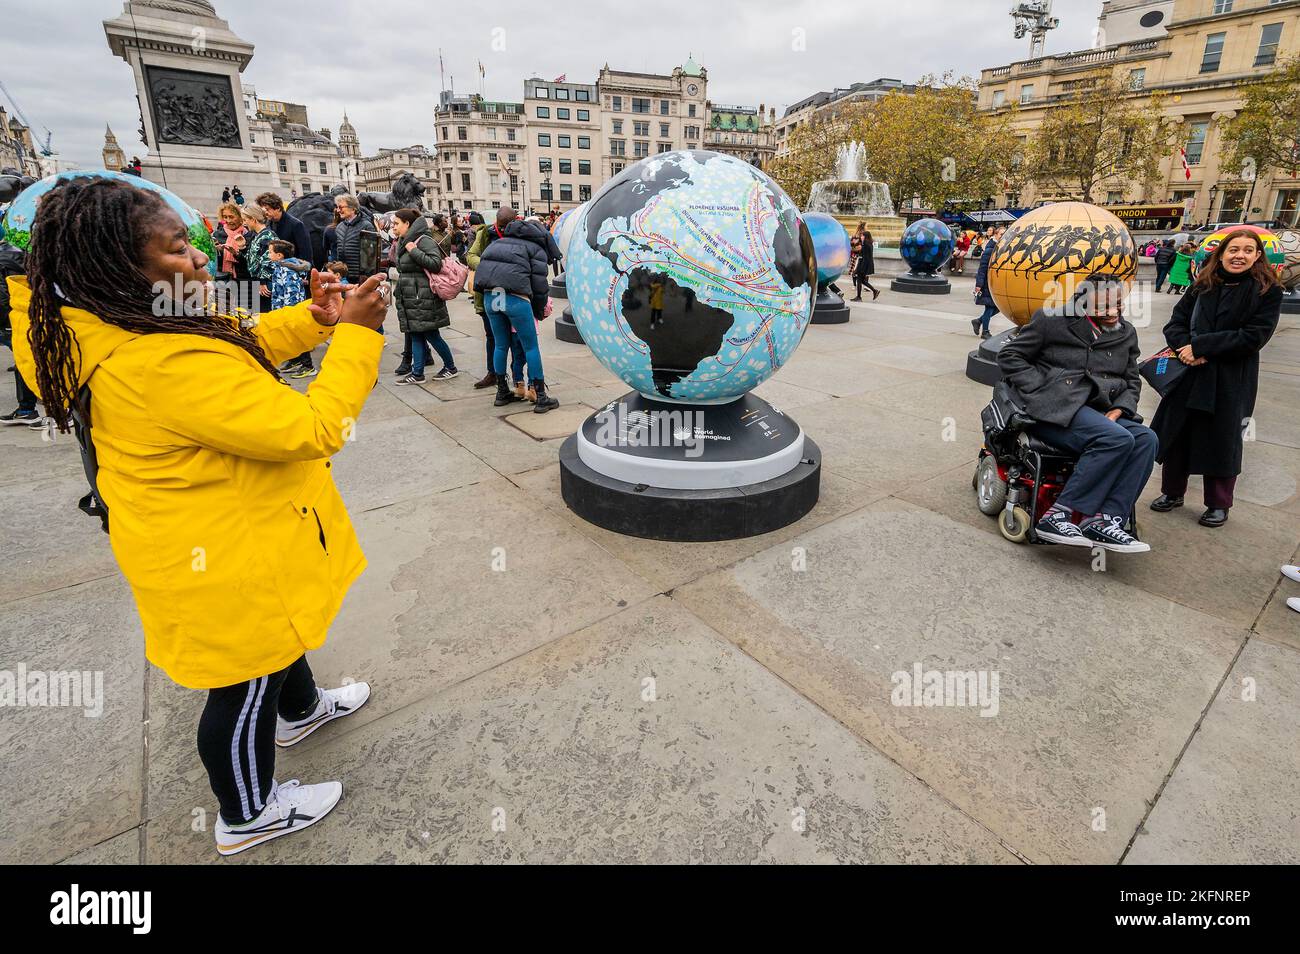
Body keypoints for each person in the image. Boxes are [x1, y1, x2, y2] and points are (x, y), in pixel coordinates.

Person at [8, 174, 390, 855]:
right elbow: (312, 426)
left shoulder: (109, 322)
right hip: (219, 550)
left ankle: (300, 711)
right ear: (119, 267)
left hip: (212, 533)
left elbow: (234, 347)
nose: (201, 258)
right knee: (241, 685)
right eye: (178, 247)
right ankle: (248, 812)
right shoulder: (157, 361)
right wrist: (358, 338)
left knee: (272, 640)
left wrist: (313, 321)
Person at [997, 277, 1156, 553]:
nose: (1113, 311)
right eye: (1104, 305)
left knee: (1146, 439)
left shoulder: (1126, 332)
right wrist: (1042, 388)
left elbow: (1132, 380)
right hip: (1054, 410)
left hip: (1100, 410)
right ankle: (1058, 515)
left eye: (1118, 303)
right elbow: (1010, 356)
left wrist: (1121, 408)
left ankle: (1105, 520)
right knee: (1116, 439)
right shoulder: (1051, 320)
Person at [1149, 229, 1282, 528]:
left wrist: (1202, 347)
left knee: (1223, 440)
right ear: (1221, 253)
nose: (1240, 255)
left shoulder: (1266, 290)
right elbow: (1176, 322)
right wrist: (1185, 348)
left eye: (1248, 250)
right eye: (1234, 249)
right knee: (1178, 435)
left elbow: (1254, 335)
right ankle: (1172, 492)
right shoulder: (1202, 284)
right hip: (1189, 372)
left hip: (1230, 377)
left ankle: (1218, 503)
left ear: (1257, 256)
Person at [473, 214, 558, 412]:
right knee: (531, 348)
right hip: (515, 298)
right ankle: (541, 396)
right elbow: (539, 286)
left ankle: (502, 392)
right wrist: (539, 310)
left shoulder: (497, 243)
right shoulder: (534, 248)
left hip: (490, 297)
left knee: (501, 345)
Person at [390, 208, 458, 384]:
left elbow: (435, 264)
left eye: (396, 223)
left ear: (408, 224)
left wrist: (414, 251)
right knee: (416, 334)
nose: (393, 227)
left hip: (423, 296)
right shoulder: (404, 240)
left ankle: (450, 367)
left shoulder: (423, 240)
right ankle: (417, 372)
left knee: (431, 334)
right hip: (412, 295)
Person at [467, 207, 526, 392]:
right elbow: (470, 256)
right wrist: (489, 267)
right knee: (493, 336)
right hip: (491, 290)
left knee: (517, 339)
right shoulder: (485, 234)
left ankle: (517, 377)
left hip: (514, 292)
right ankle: (494, 374)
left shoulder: (521, 235)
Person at [237, 204, 275, 317]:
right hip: (258, 281)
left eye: (245, 220)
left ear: (253, 219)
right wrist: (242, 248)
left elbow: (269, 261)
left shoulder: (267, 235)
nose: (244, 223)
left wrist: (262, 282)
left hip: (265, 283)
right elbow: (253, 259)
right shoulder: (258, 235)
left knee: (264, 314)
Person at [256, 192, 312, 264]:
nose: (265, 213)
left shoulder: (296, 225)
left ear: (278, 208)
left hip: (294, 270)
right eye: (263, 210)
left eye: (267, 209)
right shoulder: (268, 223)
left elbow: (306, 254)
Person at [972, 227, 1003, 338]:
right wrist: (979, 285)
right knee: (990, 307)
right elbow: (982, 268)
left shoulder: (1000, 247)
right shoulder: (990, 249)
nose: (1003, 236)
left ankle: (978, 321)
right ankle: (985, 332)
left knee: (999, 307)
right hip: (988, 282)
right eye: (1001, 234)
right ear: (995, 235)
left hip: (996, 282)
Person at [268, 239, 311, 311]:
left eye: (270, 252)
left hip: (287, 314)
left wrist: (288, 314)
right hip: (280, 311)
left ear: (279, 255)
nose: (268, 255)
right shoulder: (279, 268)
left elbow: (292, 295)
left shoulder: (287, 271)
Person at [210, 202, 245, 283]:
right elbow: (212, 260)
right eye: (225, 217)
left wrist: (236, 253)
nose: (228, 220)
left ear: (240, 217)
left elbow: (248, 261)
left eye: (231, 217)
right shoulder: (217, 234)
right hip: (221, 277)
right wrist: (216, 250)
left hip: (242, 279)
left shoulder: (246, 234)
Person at [850, 227, 877, 301]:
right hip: (864, 265)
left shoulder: (866, 245)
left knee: (860, 280)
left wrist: (859, 269)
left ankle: (859, 297)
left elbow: (864, 257)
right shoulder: (868, 244)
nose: (861, 237)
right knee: (861, 281)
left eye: (862, 236)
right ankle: (874, 291)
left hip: (863, 265)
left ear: (866, 237)